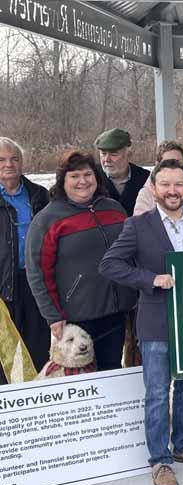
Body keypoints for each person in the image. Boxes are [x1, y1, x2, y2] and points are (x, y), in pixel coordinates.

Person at [99, 159, 183, 485]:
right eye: (165, 184)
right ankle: (160, 460)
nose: (172, 191)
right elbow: (110, 264)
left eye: (178, 184)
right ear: (154, 189)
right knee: (156, 393)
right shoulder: (138, 225)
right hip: (156, 321)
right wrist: (151, 279)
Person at [26, 150, 136, 370]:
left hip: (117, 312)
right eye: (75, 176)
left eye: (88, 175)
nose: (83, 181)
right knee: (81, 376)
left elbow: (132, 252)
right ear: (62, 181)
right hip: (77, 317)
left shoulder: (113, 209)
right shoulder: (48, 220)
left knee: (112, 369)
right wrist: (53, 315)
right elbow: (38, 271)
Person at [0, 137, 50, 379]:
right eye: (1, 160)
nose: (8, 164)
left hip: (35, 283)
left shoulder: (39, 195)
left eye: (14, 159)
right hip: (2, 285)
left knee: (37, 350)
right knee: (5, 354)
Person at [94, 128, 150, 217]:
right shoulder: (92, 177)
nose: (107, 160)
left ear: (129, 155)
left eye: (113, 154)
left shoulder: (144, 178)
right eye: (103, 154)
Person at [133, 141, 183, 216]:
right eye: (167, 163)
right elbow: (140, 224)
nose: (173, 166)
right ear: (157, 165)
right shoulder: (146, 194)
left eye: (178, 162)